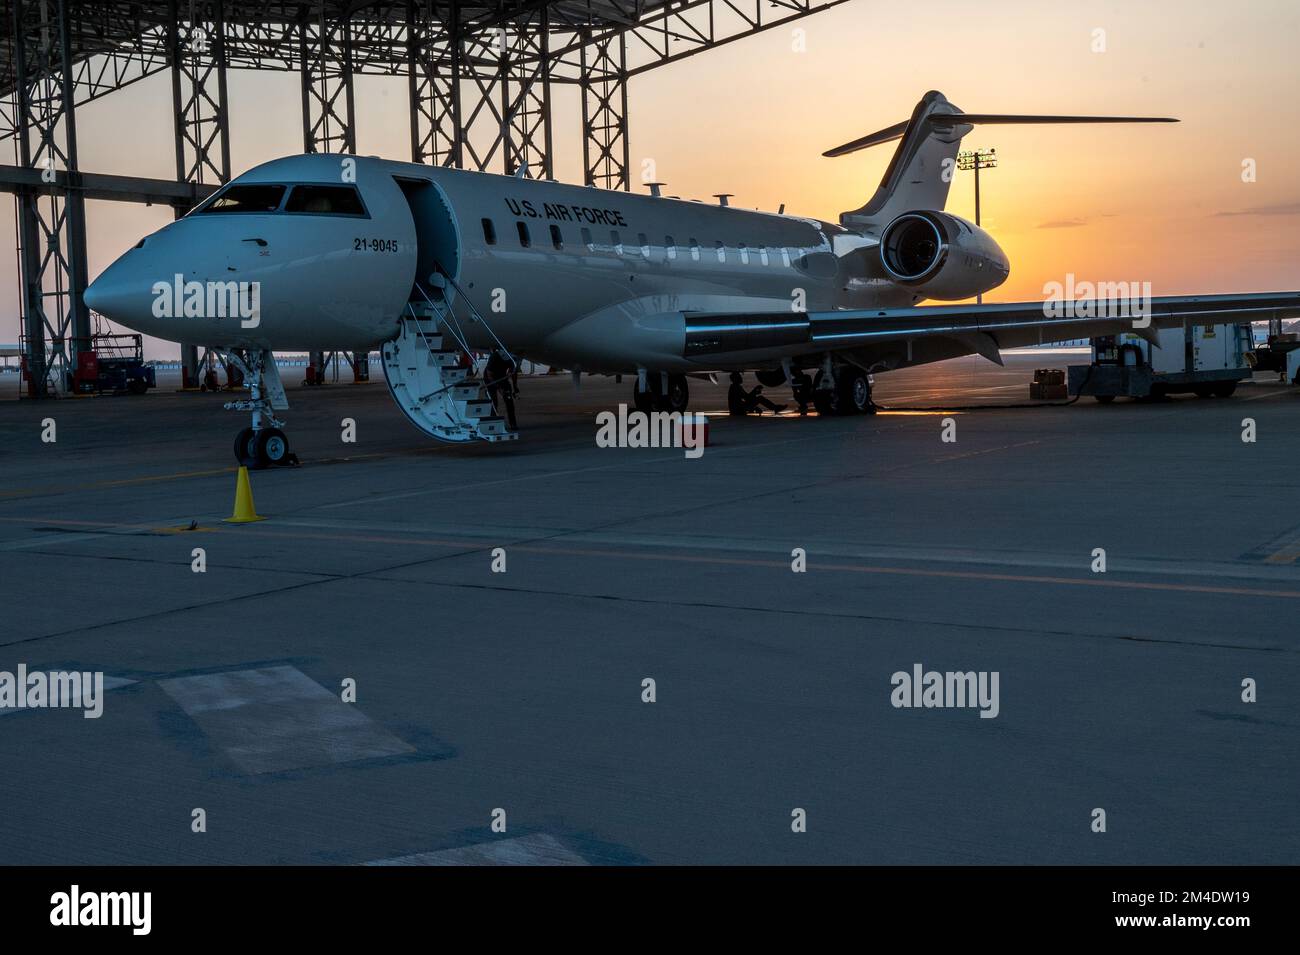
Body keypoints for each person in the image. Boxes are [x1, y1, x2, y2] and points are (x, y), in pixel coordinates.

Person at [484, 349, 518, 430]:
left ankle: (513, 423)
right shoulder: (494, 357)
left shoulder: (511, 358)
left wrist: (515, 386)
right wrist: (499, 388)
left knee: (509, 401)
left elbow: (513, 372)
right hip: (490, 379)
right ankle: (493, 423)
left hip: (502, 377)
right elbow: (489, 374)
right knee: (494, 401)